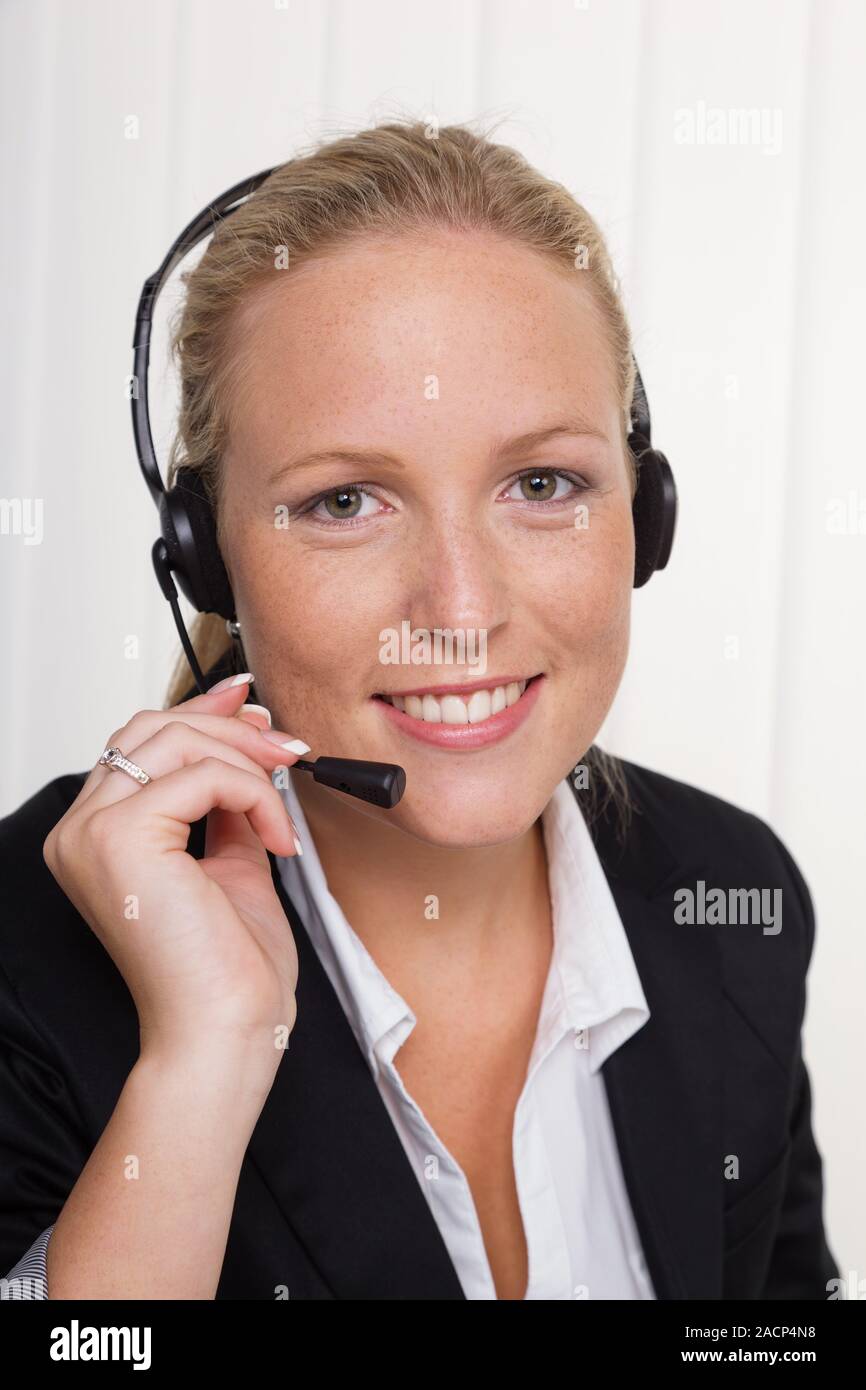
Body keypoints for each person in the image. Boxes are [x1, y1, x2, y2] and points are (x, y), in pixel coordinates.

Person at [0, 119, 838, 1300]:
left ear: (644, 512)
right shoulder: (27, 959)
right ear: (203, 556)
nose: (459, 606)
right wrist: (201, 1067)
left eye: (541, 484)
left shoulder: (731, 895)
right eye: (344, 500)